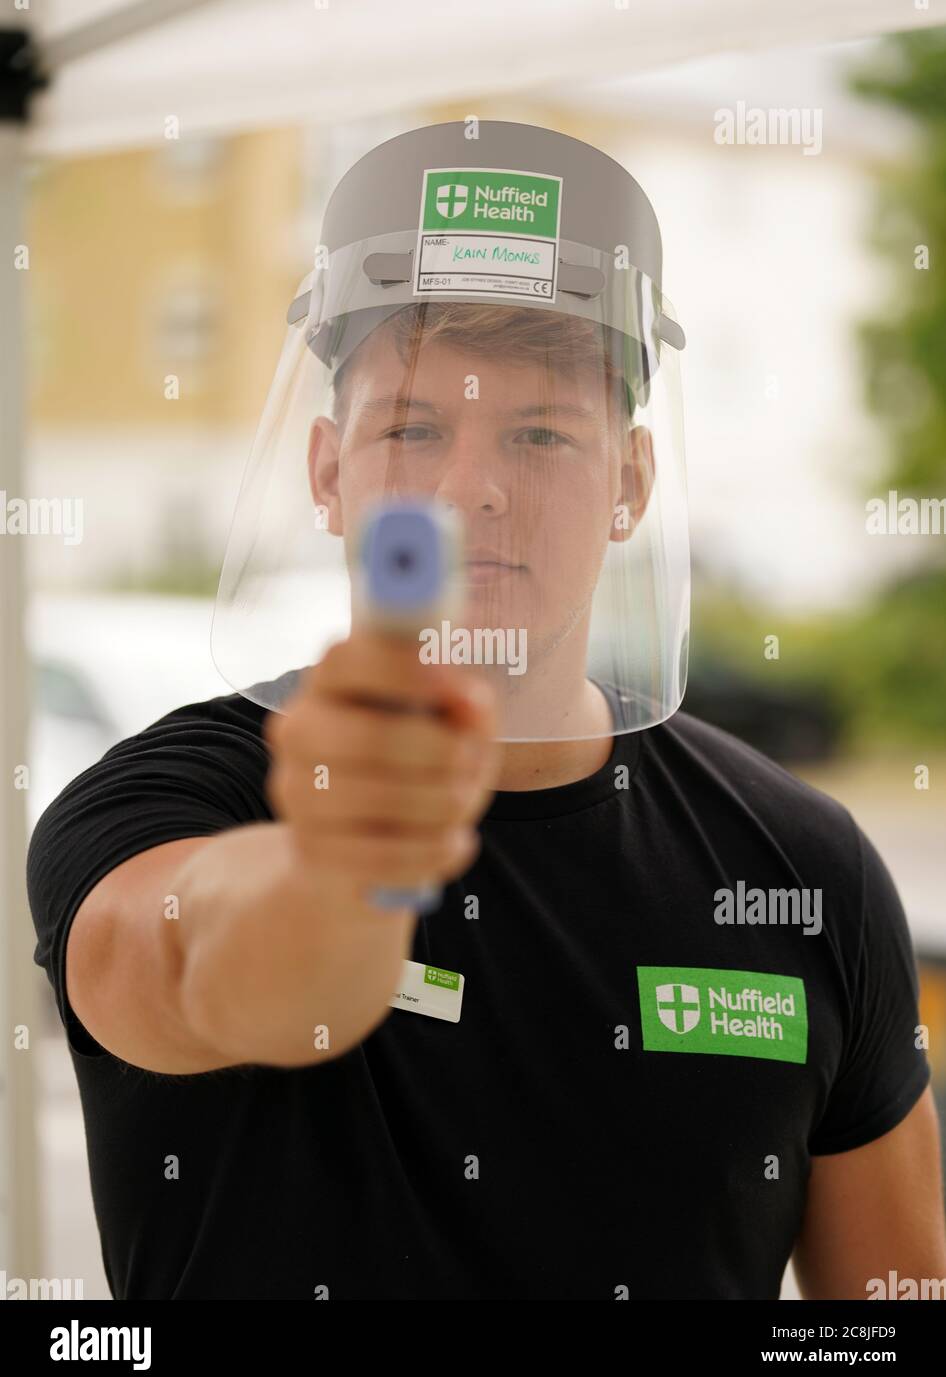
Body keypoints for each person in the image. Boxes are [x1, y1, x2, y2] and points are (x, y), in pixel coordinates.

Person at [27, 119, 946, 1300]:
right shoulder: (163, 801)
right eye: (412, 428)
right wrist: (343, 870)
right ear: (326, 471)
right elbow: (193, 963)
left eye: (543, 433)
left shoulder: (798, 863)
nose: (475, 490)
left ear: (629, 482)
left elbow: (894, 1307)